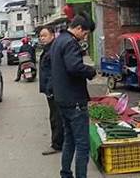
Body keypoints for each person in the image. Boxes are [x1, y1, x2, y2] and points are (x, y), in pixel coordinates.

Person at [50, 13, 97, 178]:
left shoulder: (58, 40)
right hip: (74, 101)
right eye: (85, 34)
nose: (84, 37)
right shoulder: (70, 43)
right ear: (78, 28)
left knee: (69, 140)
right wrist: (91, 71)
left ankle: (65, 174)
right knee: (83, 145)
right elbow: (74, 67)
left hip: (62, 99)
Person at [38, 26, 63, 156]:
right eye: (41, 36)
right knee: (56, 116)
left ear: (53, 36)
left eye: (45, 35)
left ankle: (57, 144)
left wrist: (51, 88)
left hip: (53, 90)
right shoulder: (48, 49)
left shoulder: (53, 50)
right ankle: (60, 142)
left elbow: (54, 72)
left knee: (56, 117)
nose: (42, 38)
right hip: (50, 89)